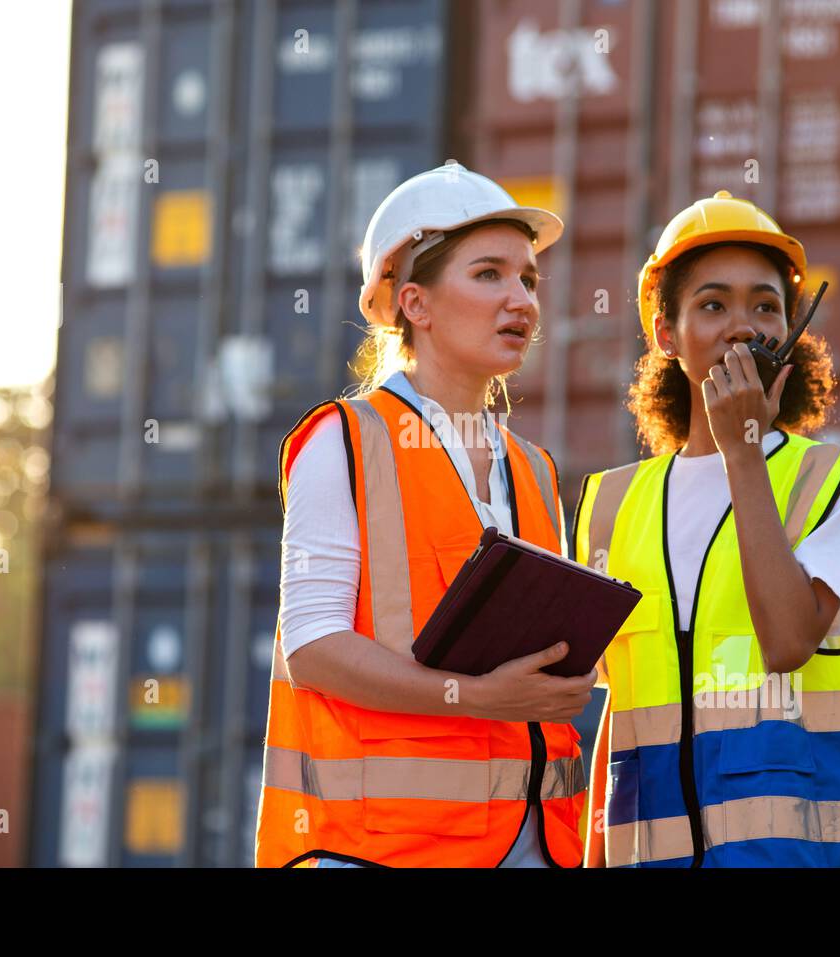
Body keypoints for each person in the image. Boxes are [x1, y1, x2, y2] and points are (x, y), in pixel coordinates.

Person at [254, 162, 596, 868]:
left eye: (528, 279)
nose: (522, 300)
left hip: (536, 847)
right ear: (416, 302)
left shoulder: (533, 468)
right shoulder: (344, 441)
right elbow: (312, 647)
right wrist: (478, 696)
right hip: (382, 848)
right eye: (490, 274)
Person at [575, 190, 840, 867]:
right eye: (713, 304)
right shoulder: (610, 504)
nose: (743, 325)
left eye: (766, 306)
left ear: (791, 329)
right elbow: (620, 714)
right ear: (666, 333)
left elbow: (786, 640)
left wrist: (743, 450)